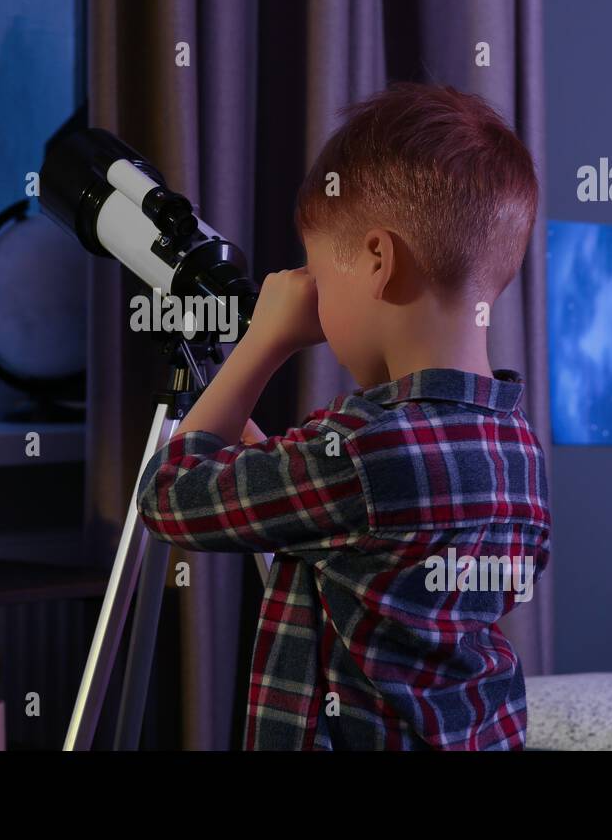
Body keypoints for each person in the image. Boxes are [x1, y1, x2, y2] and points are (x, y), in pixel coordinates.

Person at [137, 82, 552, 750]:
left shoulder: (363, 449)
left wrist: (262, 342)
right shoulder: (516, 447)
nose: (312, 304)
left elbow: (167, 497)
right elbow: (365, 542)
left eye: (319, 279)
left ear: (380, 262)